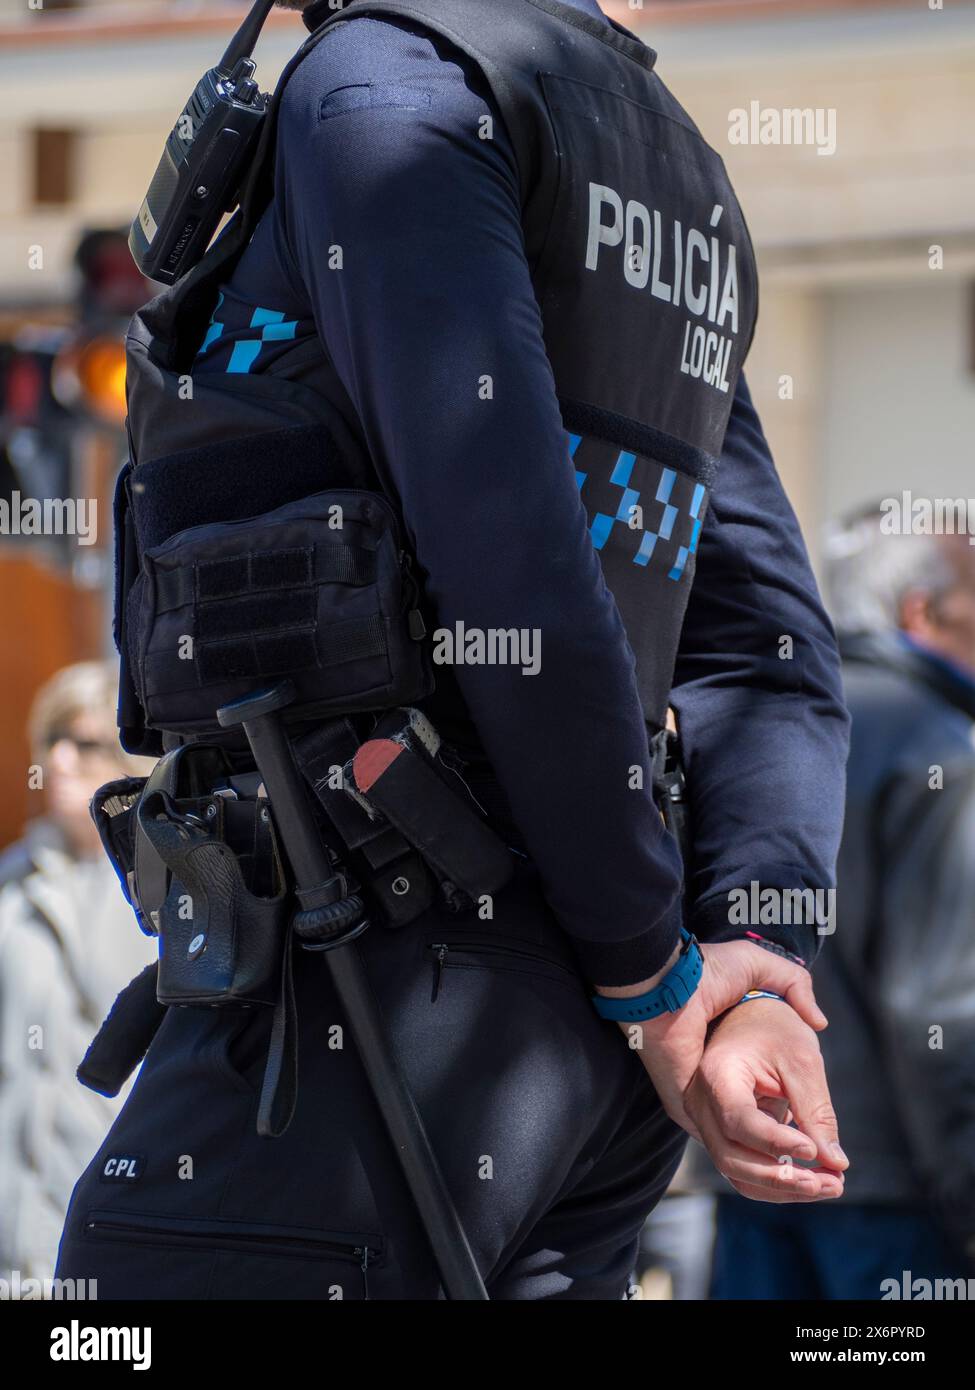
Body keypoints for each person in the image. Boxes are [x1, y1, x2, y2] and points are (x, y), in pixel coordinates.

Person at [57, 0, 850, 1300]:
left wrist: (659, 970)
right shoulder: (670, 171)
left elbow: (515, 571)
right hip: (565, 1056)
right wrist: (745, 956)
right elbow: (765, 648)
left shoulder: (382, 83)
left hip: (370, 1012)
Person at [704, 510, 975, 1299]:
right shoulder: (940, 747)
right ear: (918, 611)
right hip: (894, 1193)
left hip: (752, 1161)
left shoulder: (763, 727)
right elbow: (941, 1003)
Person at [0, 661, 154, 1282]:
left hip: (115, 1233)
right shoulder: (13, 882)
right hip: (13, 1239)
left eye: (84, 743)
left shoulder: (170, 892)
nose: (60, 759)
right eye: (51, 740)